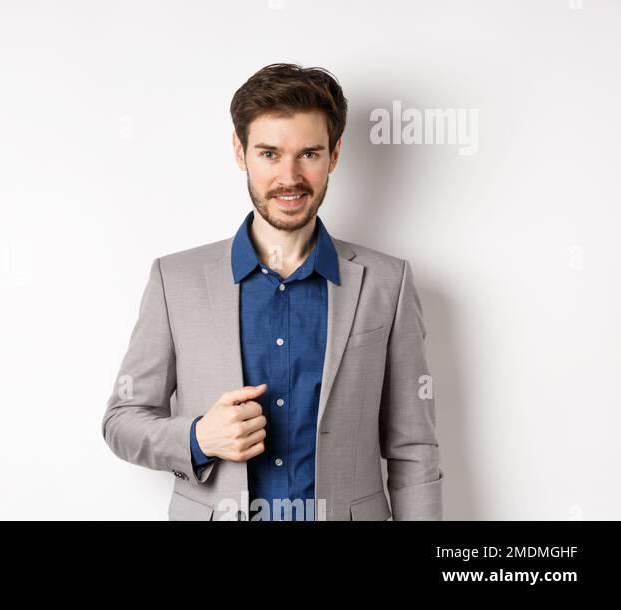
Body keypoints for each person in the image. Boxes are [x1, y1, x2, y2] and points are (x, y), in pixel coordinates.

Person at [101, 63, 442, 521]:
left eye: (309, 154)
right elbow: (122, 420)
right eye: (269, 154)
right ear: (240, 153)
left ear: (334, 155)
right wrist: (199, 438)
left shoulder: (388, 282)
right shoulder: (175, 280)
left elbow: (413, 448)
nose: (289, 177)